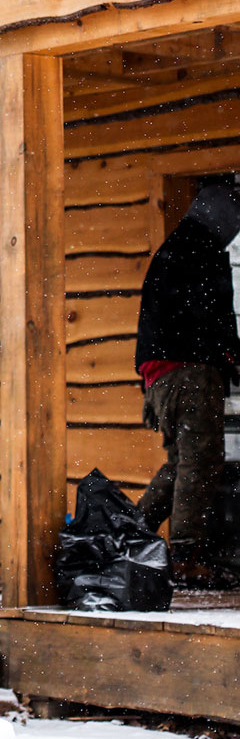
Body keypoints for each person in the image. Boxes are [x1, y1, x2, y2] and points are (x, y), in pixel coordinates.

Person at [135, 183, 240, 587]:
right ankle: (185, 558)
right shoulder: (202, 252)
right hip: (189, 372)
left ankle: (133, 534)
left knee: (181, 462)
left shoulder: (173, 249)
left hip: (161, 376)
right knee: (200, 463)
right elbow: (211, 316)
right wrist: (228, 355)